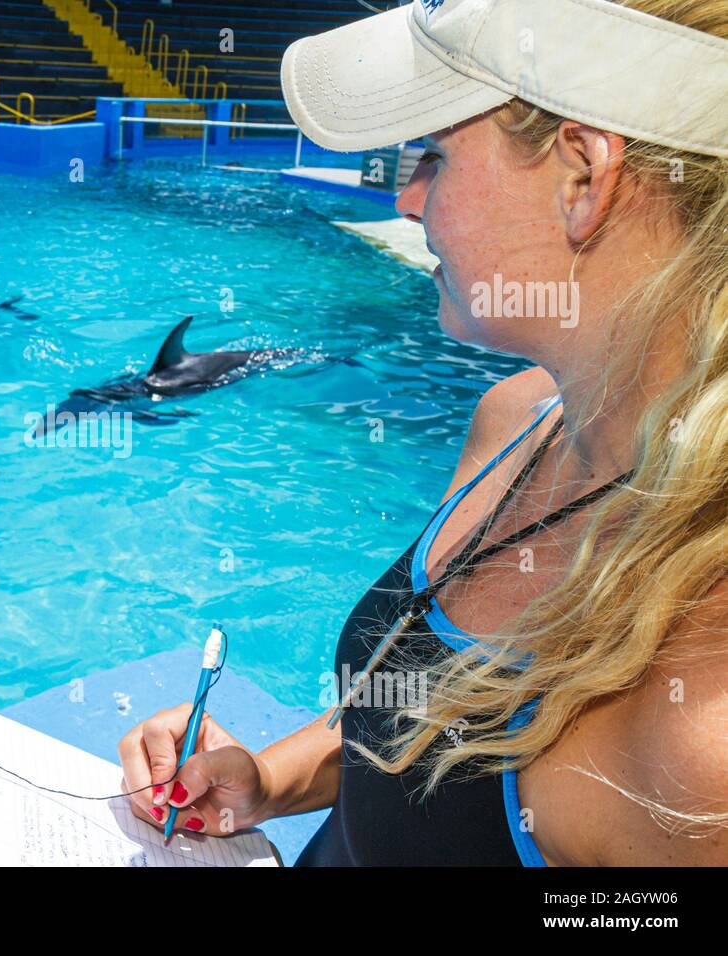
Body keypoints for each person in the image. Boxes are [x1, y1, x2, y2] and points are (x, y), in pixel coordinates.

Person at [118, 0, 728, 865]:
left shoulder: (701, 730)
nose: (407, 198)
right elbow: (426, 720)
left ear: (583, 175)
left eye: (435, 156)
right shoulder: (517, 421)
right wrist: (263, 780)